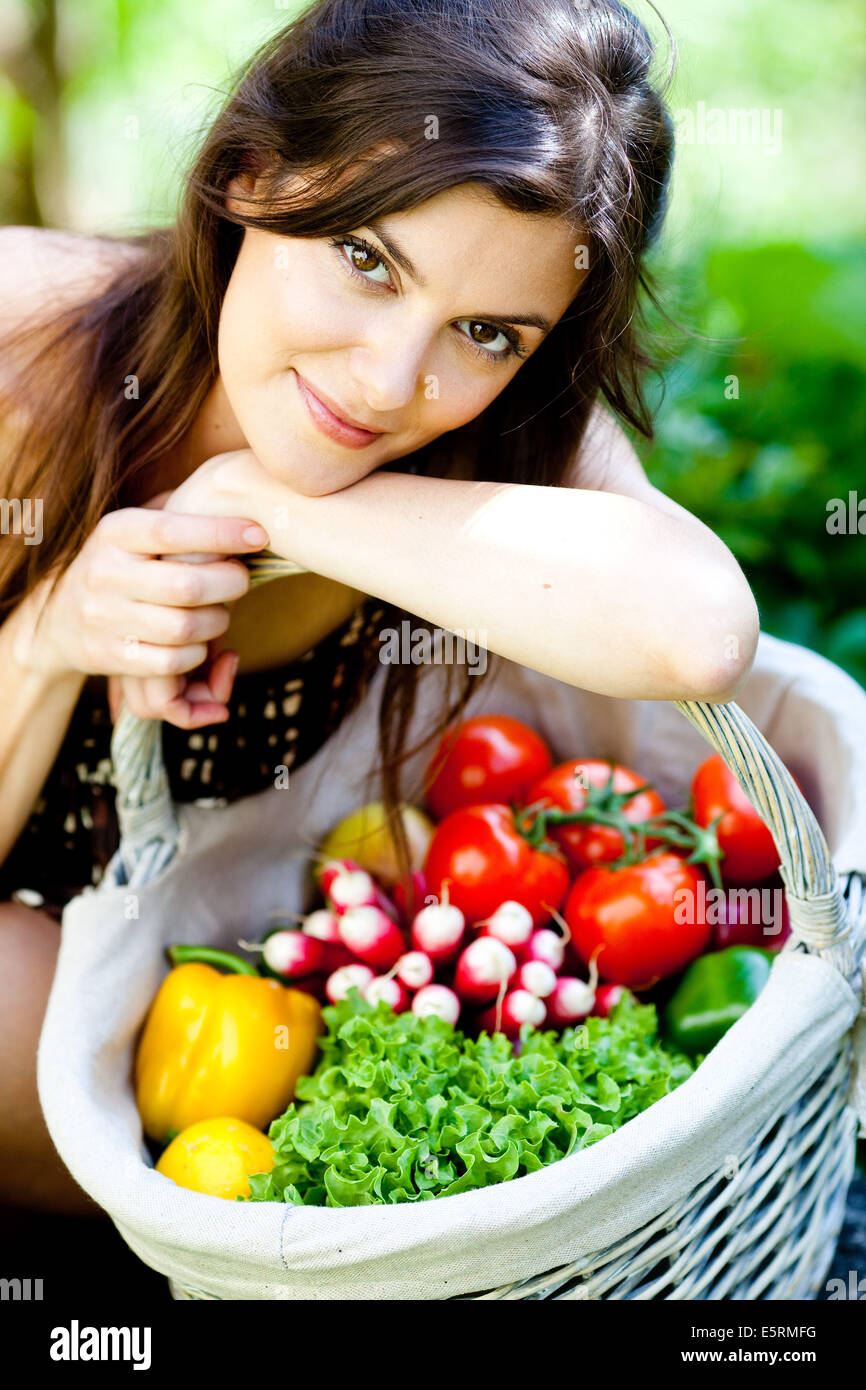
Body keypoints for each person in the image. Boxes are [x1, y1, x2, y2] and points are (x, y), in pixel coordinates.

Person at [0, 0, 759, 1212]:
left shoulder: (510, 421)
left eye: (483, 331)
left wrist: (268, 501)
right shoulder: (22, 352)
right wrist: (49, 638)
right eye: (366, 259)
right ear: (250, 175)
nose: (389, 381)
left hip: (229, 1031)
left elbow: (699, 630)